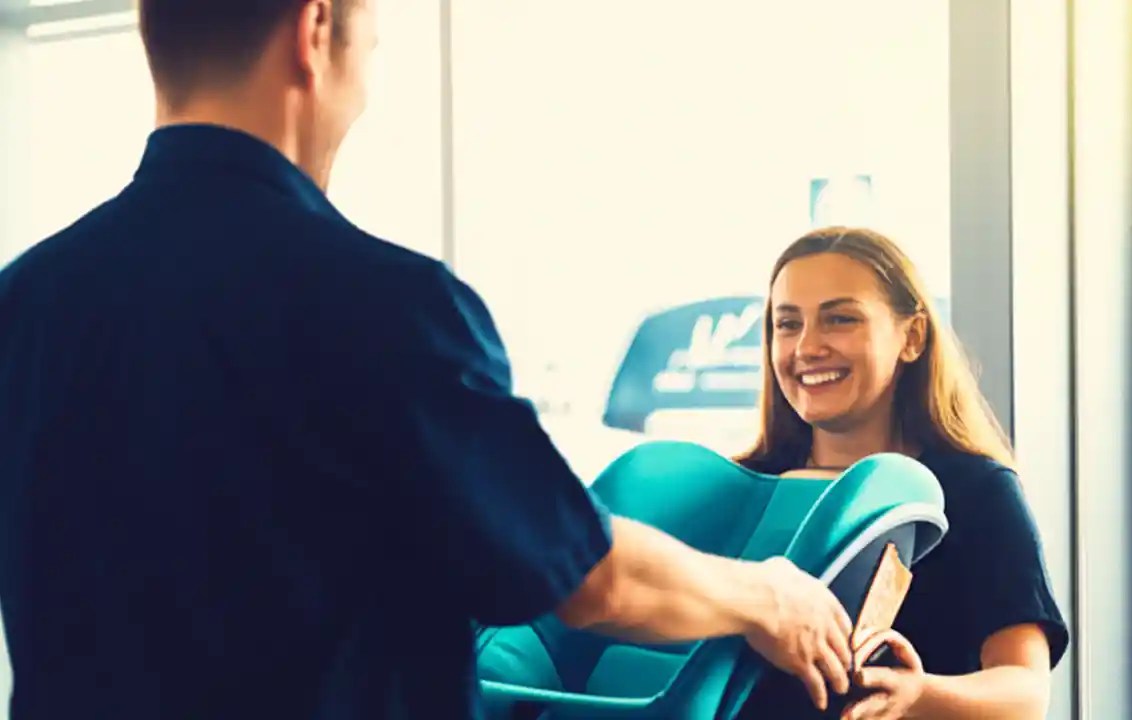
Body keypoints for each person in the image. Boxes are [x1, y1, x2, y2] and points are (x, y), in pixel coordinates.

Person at [0, 2, 856, 718]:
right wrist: (765, 595)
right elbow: (580, 576)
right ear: (315, 30)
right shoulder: (383, 306)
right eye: (372, 34)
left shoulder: (25, 303)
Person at [735, 227, 1071, 719]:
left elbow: (1024, 693)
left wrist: (918, 696)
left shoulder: (975, 491)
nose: (807, 347)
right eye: (787, 324)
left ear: (911, 337)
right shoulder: (740, 489)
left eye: (840, 319)